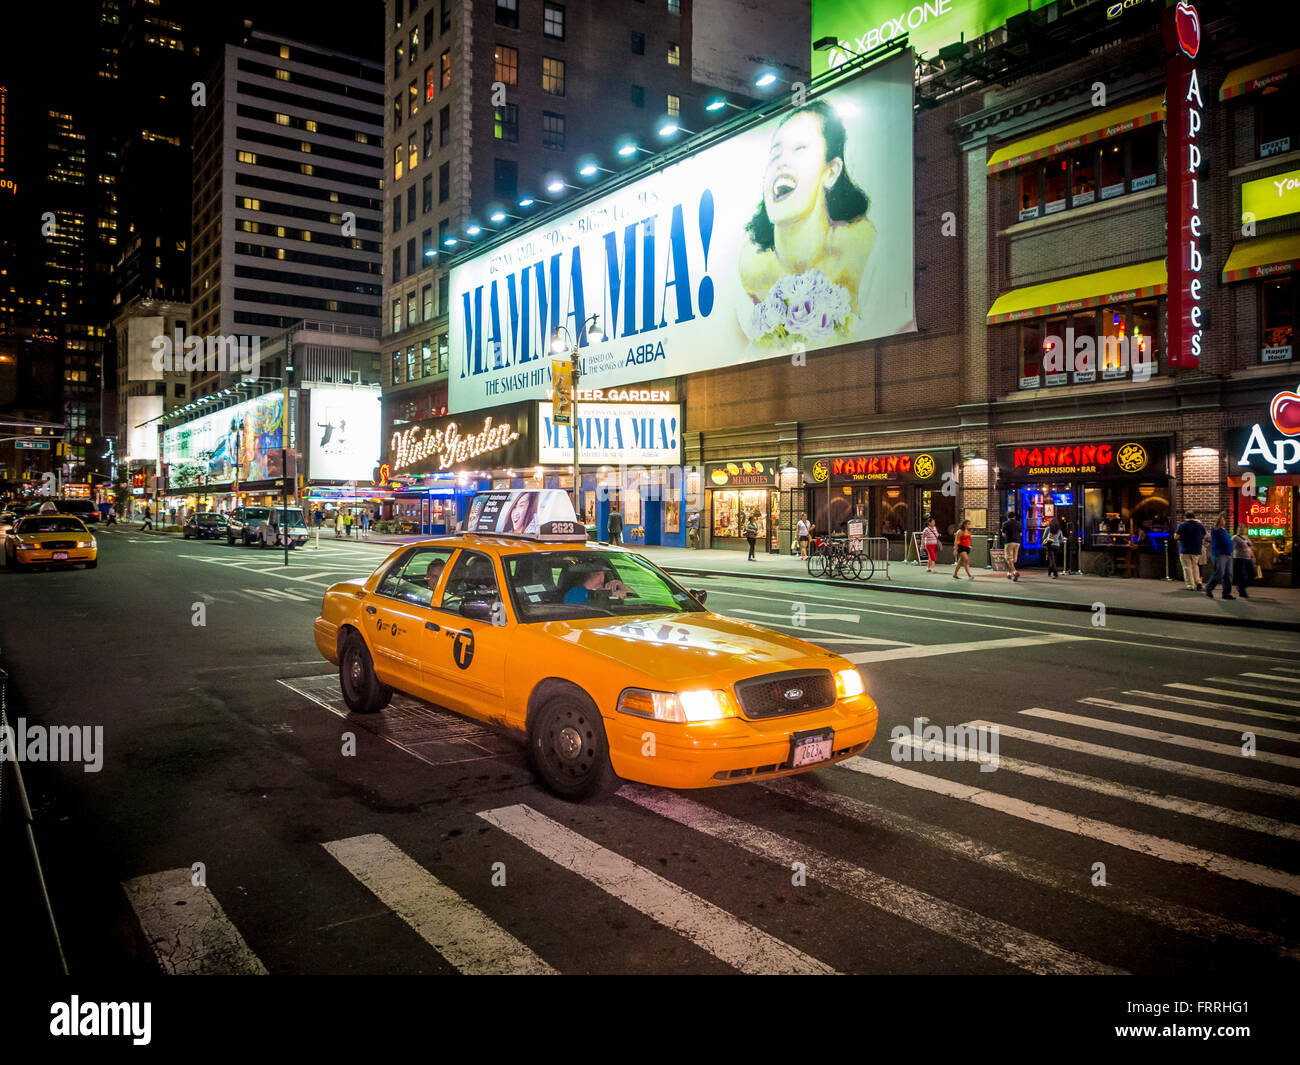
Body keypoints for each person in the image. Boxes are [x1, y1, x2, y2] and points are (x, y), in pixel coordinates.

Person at [740, 101, 875, 324]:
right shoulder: (750, 268)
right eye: (775, 154)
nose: (782, 162)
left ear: (831, 171)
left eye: (799, 149)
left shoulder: (861, 249)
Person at [563, 565, 629, 605]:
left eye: (604, 574)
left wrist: (621, 586)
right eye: (597, 574)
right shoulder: (576, 593)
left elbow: (636, 600)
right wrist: (611, 598)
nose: (602, 580)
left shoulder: (607, 592)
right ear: (587, 575)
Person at [1204, 516, 1235, 600]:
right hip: (1219, 554)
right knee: (1219, 573)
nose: (1225, 521)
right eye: (1223, 519)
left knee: (1228, 575)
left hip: (1228, 554)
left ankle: (1226, 593)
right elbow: (1217, 525)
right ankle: (1209, 588)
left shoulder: (1224, 530)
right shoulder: (1215, 530)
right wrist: (1221, 515)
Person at [1174, 511, 1207, 590]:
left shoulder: (1182, 525)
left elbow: (1176, 536)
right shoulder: (1199, 525)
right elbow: (1206, 536)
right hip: (1196, 549)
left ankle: (1190, 585)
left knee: (1187, 567)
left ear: (1186, 517)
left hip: (1185, 549)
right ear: (1194, 517)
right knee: (1195, 566)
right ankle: (1198, 582)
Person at [1231, 524, 1254, 599]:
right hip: (1239, 558)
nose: (1242, 529)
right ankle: (1242, 591)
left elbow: (1250, 548)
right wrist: (1230, 557)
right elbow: (1231, 547)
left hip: (1248, 558)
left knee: (1252, 574)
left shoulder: (1246, 537)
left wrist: (1253, 556)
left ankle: (1241, 586)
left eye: (1243, 527)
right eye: (1240, 527)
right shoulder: (1235, 537)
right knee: (1241, 575)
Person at [1001, 511, 1021, 582]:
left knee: (1008, 558)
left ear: (1007, 517)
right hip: (1017, 542)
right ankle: (1009, 573)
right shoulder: (1018, 523)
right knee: (1013, 559)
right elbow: (1021, 533)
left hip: (1009, 542)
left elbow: (1003, 534)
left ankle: (1015, 572)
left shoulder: (1005, 524)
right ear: (1014, 517)